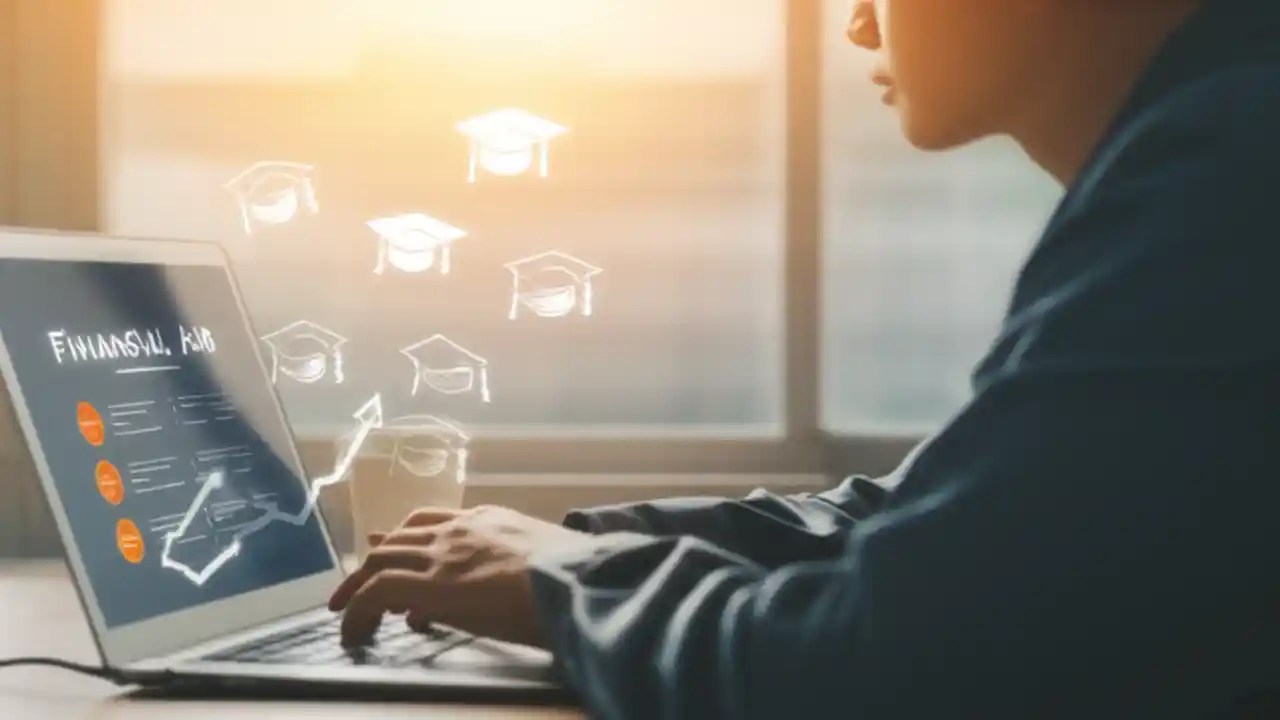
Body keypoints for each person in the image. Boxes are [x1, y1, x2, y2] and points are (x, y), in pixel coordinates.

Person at [330, 1, 1280, 716]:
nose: (860, 25)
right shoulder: (1212, 143)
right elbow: (909, 520)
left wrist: (565, 579)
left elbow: (872, 660)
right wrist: (557, 542)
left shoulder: (1225, 179)